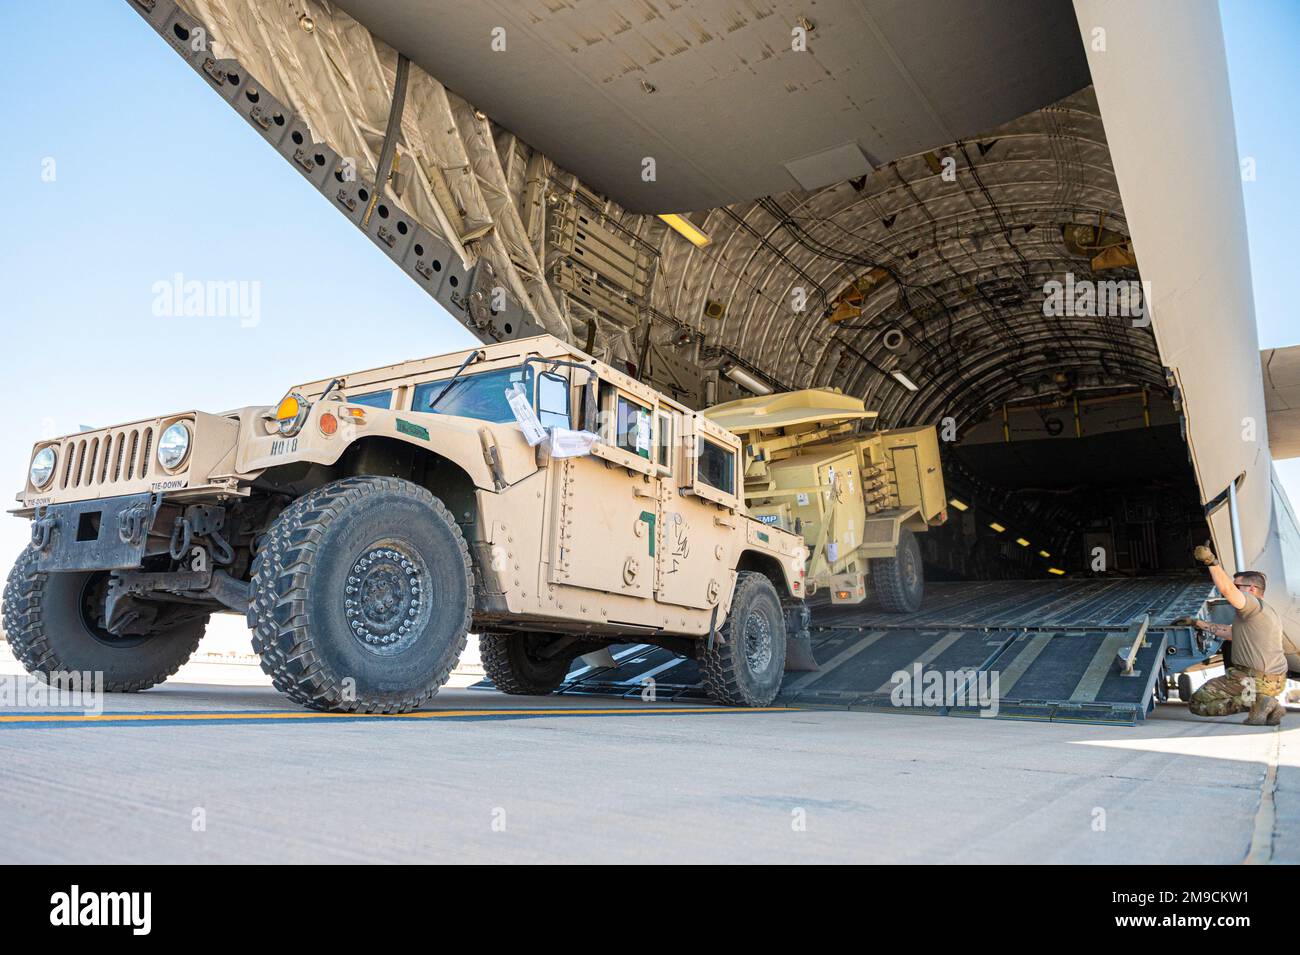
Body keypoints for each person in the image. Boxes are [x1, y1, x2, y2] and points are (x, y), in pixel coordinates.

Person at [1184, 544, 1286, 726]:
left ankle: (1256, 702)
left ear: (1252, 589)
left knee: (1197, 703)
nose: (1234, 588)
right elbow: (1233, 633)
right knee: (1254, 715)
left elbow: (1227, 590)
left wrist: (1211, 562)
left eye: (1238, 585)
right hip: (1273, 680)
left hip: (1252, 679)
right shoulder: (1265, 612)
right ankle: (1267, 707)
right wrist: (1198, 623)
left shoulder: (1251, 604)